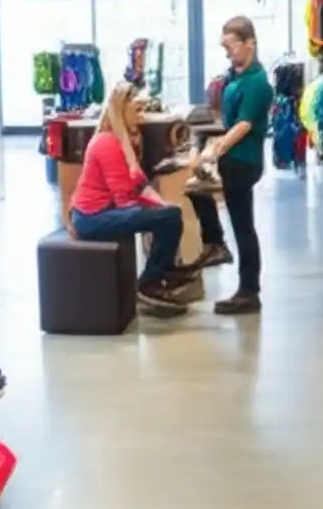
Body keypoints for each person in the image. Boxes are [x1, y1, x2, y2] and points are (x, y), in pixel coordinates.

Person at [68, 82, 198, 318]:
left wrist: (162, 207)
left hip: (102, 212)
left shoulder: (122, 140)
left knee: (170, 215)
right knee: (167, 218)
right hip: (91, 219)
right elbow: (125, 199)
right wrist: (155, 213)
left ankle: (164, 271)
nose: (141, 117)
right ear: (121, 109)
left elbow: (139, 188)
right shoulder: (108, 143)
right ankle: (150, 283)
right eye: (136, 110)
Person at [188, 16, 274, 315]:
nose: (227, 52)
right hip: (230, 158)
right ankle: (216, 243)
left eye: (231, 46)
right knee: (195, 189)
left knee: (243, 226)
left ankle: (248, 290)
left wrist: (215, 149)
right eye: (224, 47)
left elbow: (244, 124)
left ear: (249, 43)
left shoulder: (258, 83)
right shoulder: (235, 76)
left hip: (243, 161)